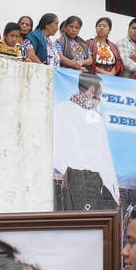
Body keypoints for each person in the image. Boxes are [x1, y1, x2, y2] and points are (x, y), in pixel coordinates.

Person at [53, 72, 120, 211]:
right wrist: (67, 173)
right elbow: (56, 145)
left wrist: (114, 191)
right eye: (99, 94)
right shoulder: (63, 108)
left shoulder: (95, 117)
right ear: (91, 90)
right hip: (72, 179)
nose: (100, 99)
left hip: (92, 182)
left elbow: (104, 156)